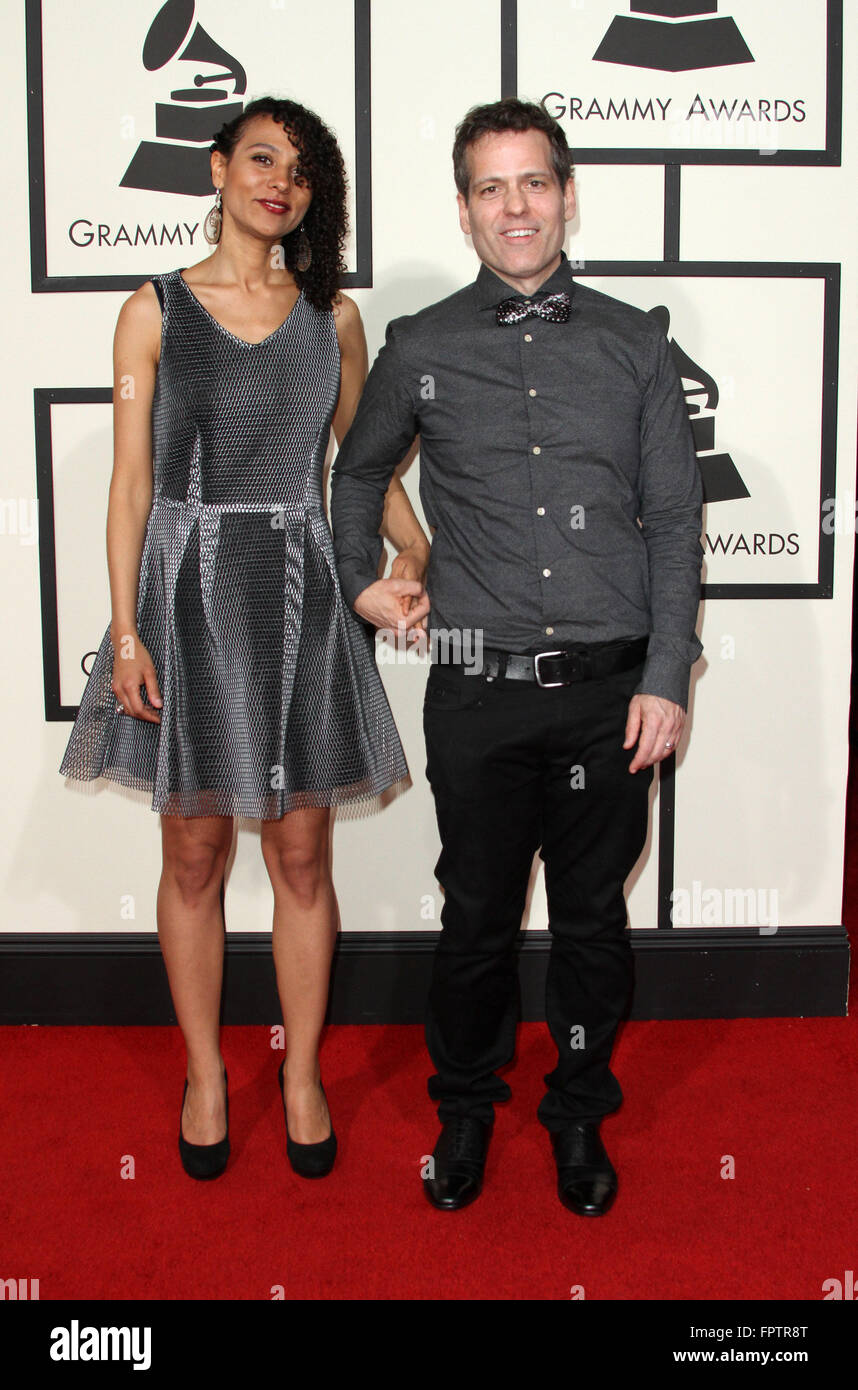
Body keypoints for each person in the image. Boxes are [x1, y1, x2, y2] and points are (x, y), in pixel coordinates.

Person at [330, 97, 703, 1215]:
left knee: (593, 923)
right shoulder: (422, 346)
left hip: (609, 700)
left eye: (534, 182)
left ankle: (581, 1114)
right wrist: (363, 579)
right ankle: (464, 1108)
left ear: (567, 193)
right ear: (463, 210)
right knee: (476, 917)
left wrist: (665, 675)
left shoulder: (636, 344)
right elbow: (355, 476)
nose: (516, 207)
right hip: (478, 697)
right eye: (491, 188)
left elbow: (677, 523)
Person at [59, 96, 430, 1182]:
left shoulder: (338, 319)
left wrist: (417, 554)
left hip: (305, 595)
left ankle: (301, 1072)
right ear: (219, 169)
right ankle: (207, 1074)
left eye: (303, 171)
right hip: (186, 593)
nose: (281, 181)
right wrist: (125, 630)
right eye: (261, 158)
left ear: (316, 199)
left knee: (303, 851)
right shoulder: (153, 312)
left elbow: (360, 473)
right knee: (193, 851)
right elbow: (131, 483)